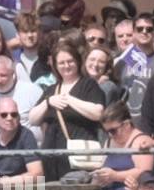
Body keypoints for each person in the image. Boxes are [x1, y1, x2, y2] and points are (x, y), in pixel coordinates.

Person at [28, 37, 105, 181]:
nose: (66, 66)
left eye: (70, 61)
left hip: (79, 159)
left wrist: (69, 99)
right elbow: (32, 119)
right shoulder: (51, 90)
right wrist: (48, 102)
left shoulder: (88, 85)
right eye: (61, 63)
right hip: (51, 157)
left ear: (77, 61)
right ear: (55, 66)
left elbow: (97, 113)